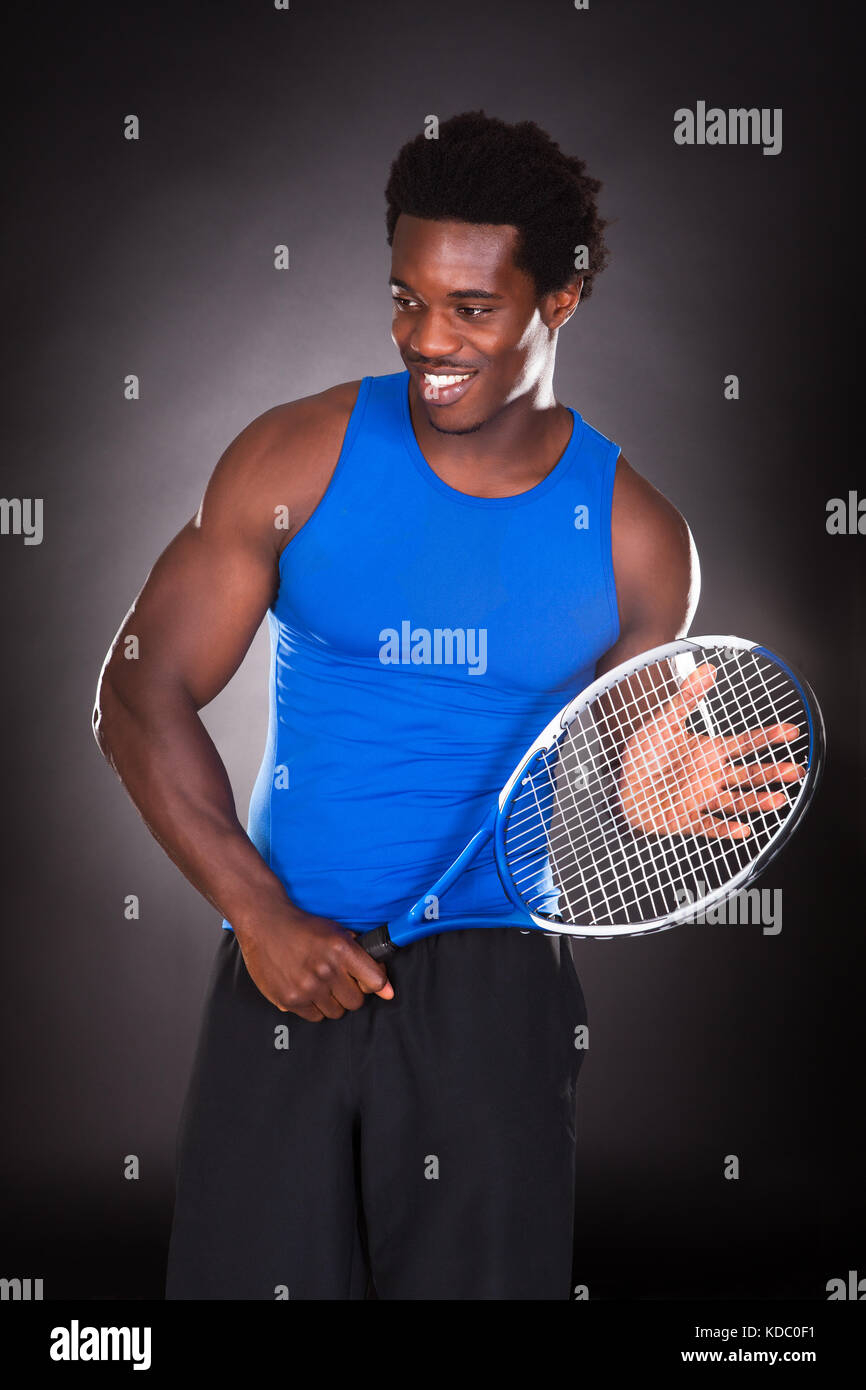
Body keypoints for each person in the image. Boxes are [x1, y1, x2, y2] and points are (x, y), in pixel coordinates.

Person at [93, 111, 791, 1299]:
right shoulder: (295, 455)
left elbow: (587, 821)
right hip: (283, 962)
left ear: (557, 301)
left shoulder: (635, 541)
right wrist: (258, 915)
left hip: (495, 995)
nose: (430, 340)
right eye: (407, 299)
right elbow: (137, 687)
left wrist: (637, 806)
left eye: (472, 308)